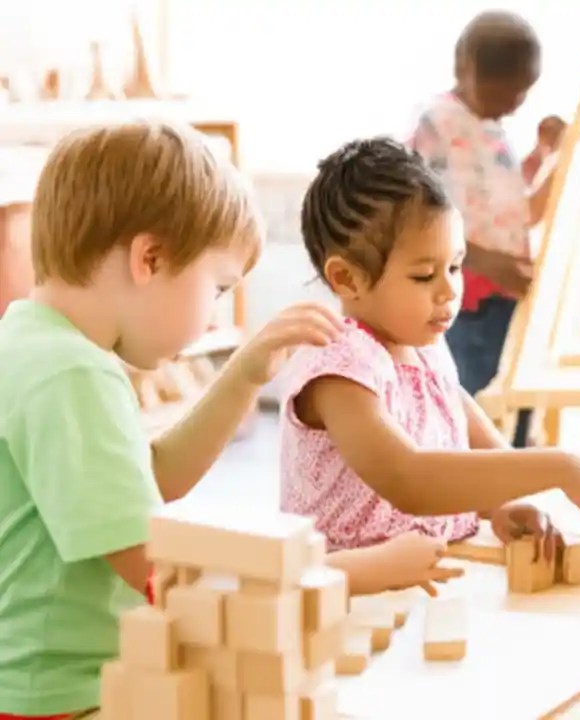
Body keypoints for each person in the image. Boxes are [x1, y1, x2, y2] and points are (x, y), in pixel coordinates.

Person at [0, 120, 342, 719]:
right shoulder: (73, 373)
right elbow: (151, 564)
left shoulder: (31, 342)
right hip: (64, 695)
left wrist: (242, 374)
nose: (214, 318)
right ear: (149, 258)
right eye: (217, 288)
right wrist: (327, 576)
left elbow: (144, 480)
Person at [278, 137, 580, 594]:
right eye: (424, 275)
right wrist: (563, 466)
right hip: (348, 596)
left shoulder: (421, 340)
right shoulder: (336, 366)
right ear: (347, 278)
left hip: (431, 578)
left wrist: (501, 501)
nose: (448, 292)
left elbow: (450, 407)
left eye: (456, 267)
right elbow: (410, 478)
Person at [407, 10, 550, 447]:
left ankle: (515, 475)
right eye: (507, 90)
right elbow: (415, 208)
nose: (515, 102)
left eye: (523, 92)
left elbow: (511, 203)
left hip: (508, 291)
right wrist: (485, 262)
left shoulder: (494, 130)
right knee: (472, 399)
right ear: (465, 68)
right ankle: (478, 488)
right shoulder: (435, 121)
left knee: (515, 394)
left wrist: (547, 156)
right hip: (469, 295)